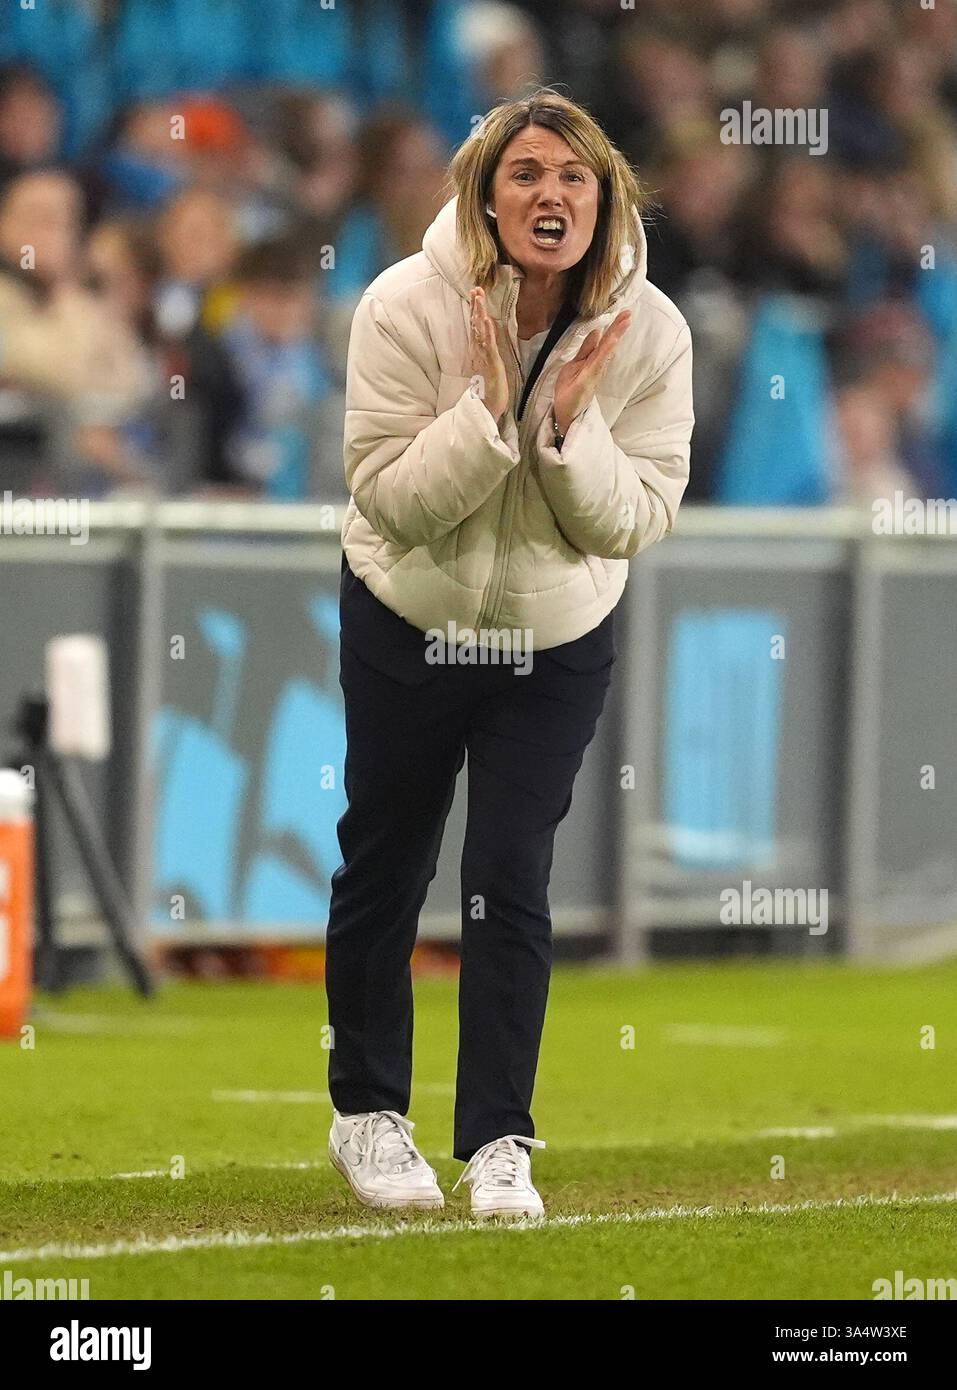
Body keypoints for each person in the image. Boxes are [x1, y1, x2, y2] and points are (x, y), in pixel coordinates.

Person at [325, 88, 694, 1219]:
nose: (552, 194)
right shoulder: (401, 305)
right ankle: (368, 1112)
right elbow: (385, 497)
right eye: (527, 173)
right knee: (387, 858)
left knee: (508, 875)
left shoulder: (653, 332)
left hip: (553, 635)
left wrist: (570, 432)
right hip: (409, 615)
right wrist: (487, 414)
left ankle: (498, 1139)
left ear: (605, 197)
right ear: (487, 194)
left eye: (575, 176)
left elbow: (640, 516)